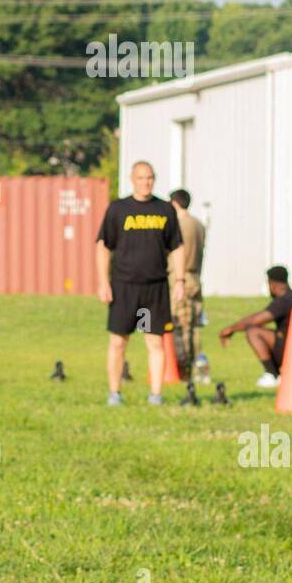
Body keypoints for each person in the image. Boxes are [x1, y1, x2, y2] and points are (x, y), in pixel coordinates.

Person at [96, 161, 185, 407]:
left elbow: (177, 246)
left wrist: (179, 280)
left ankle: (155, 395)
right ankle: (115, 393)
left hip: (153, 290)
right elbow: (103, 246)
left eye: (149, 178)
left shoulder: (165, 210)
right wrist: (103, 282)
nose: (145, 182)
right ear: (132, 179)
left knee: (154, 341)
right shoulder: (118, 209)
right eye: (141, 178)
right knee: (118, 342)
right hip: (125, 288)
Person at [219, 265, 292, 390]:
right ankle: (279, 375)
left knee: (253, 332)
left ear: (272, 284)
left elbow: (255, 321)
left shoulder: (284, 301)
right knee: (262, 330)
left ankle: (272, 375)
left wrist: (230, 329)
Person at [168, 188, 206, 398]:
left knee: (180, 326)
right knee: (194, 326)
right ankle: (194, 364)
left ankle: (183, 369)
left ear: (174, 204)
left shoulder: (178, 226)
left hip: (179, 278)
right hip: (196, 279)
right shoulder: (199, 225)